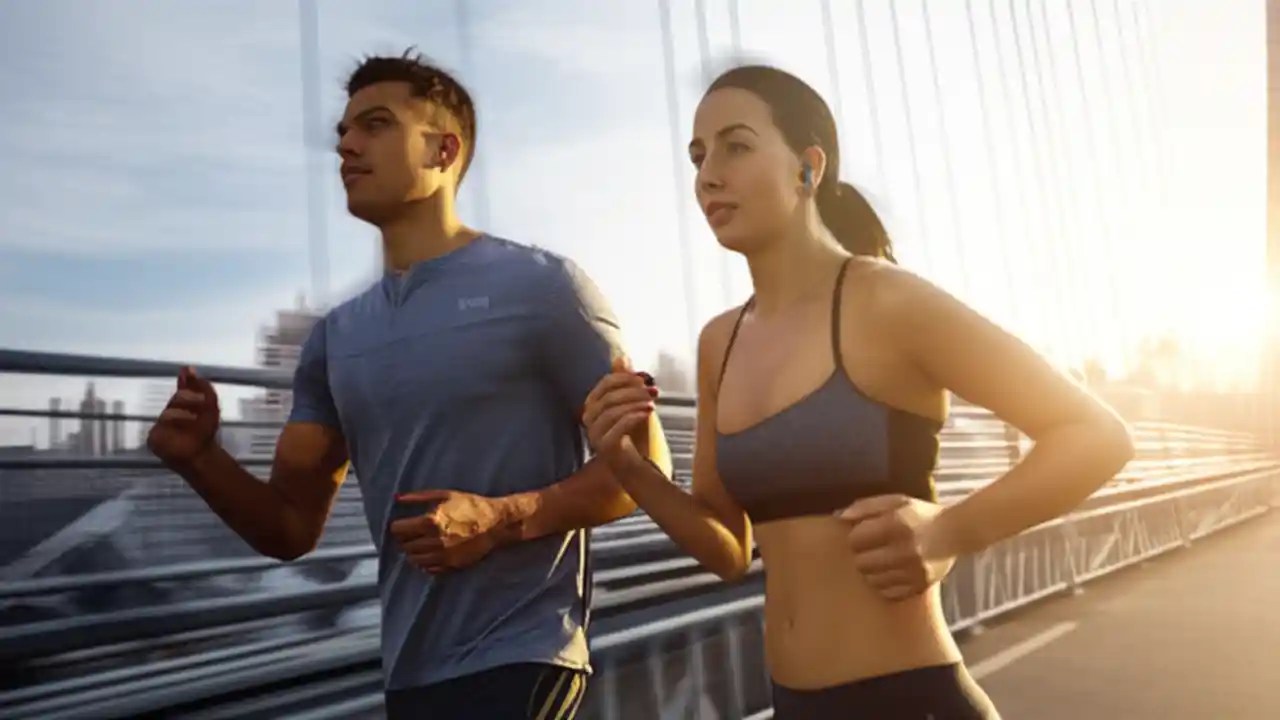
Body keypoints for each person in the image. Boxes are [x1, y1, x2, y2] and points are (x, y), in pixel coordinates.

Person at [582, 65, 1134, 719]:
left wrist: (951, 530)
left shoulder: (884, 300)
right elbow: (730, 549)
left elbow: (1097, 436)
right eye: (699, 156)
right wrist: (627, 467)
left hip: (913, 700)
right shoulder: (718, 342)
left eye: (736, 145)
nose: (707, 175)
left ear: (807, 168)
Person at [146, 50, 670, 720]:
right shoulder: (334, 339)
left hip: (524, 657)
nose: (345, 144)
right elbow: (288, 528)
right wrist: (200, 460)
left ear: (443, 150)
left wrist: (499, 519)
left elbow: (646, 469)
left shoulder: (544, 289)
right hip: (409, 675)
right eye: (343, 132)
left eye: (375, 125)